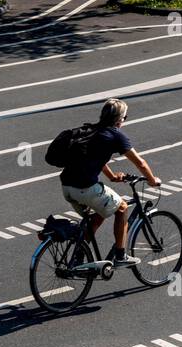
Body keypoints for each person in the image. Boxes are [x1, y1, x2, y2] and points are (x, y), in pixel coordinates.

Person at [59, 98, 162, 267]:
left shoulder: (92, 130)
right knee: (122, 208)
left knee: (98, 214)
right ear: (119, 119)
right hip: (85, 188)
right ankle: (120, 256)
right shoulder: (116, 135)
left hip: (67, 187)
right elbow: (140, 163)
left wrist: (112, 176)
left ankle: (78, 256)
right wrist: (152, 180)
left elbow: (96, 158)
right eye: (125, 117)